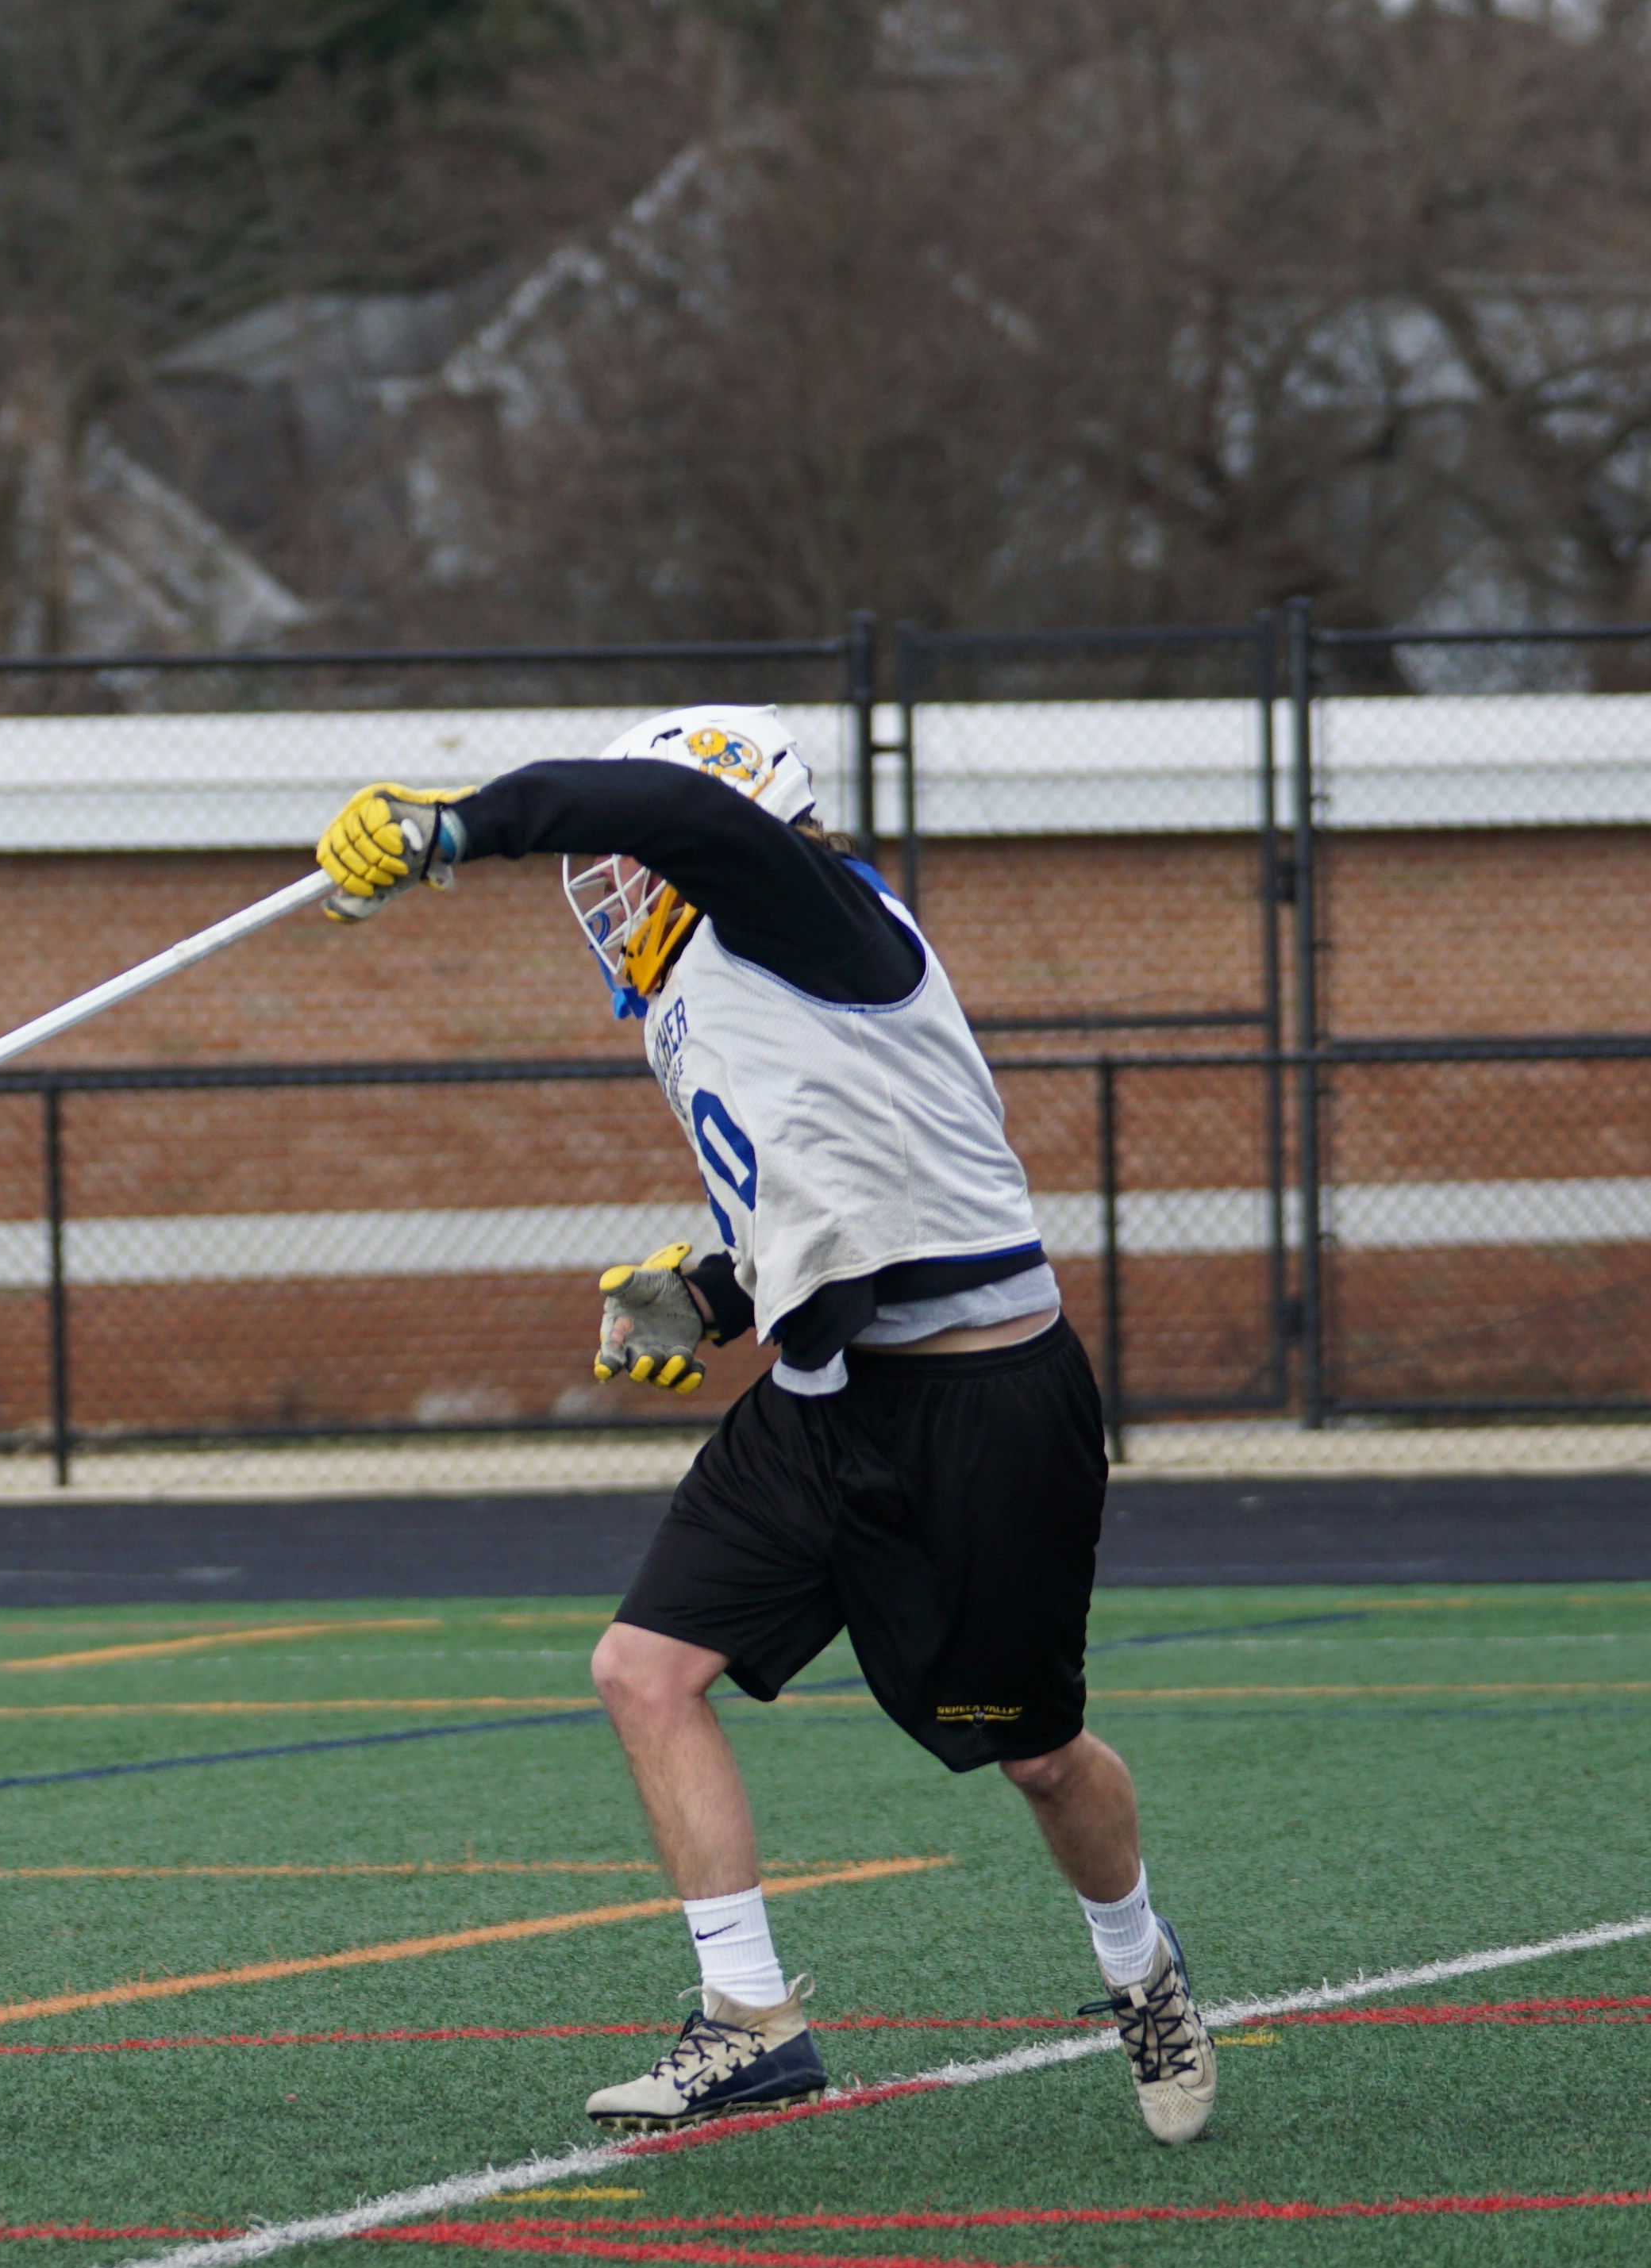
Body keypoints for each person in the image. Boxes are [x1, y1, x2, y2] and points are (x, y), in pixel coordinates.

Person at [315, 705, 1213, 2144]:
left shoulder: (813, 908)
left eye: (633, 842)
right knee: (643, 1668)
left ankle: (1141, 1969)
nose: (610, 882)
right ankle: (749, 2021)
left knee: (1036, 1755)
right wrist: (713, 1293)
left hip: (983, 1408)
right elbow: (844, 1199)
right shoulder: (712, 983)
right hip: (823, 1404)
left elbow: (693, 826)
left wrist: (457, 824)